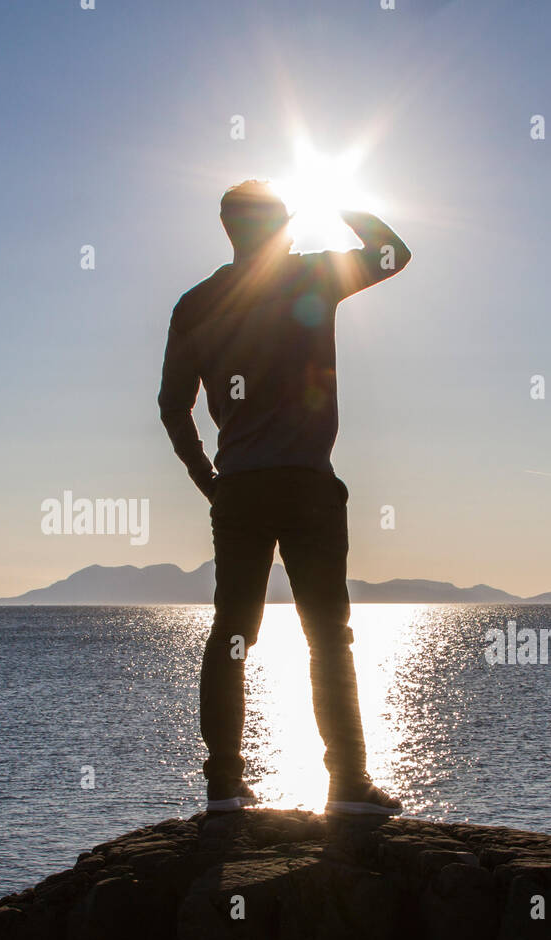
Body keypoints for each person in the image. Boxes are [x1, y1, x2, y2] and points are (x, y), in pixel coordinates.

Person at [159, 180, 410, 815]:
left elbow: (172, 407)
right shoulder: (310, 278)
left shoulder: (195, 304)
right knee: (328, 636)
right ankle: (347, 787)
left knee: (231, 636)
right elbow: (392, 253)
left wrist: (205, 478)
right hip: (305, 482)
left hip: (238, 488)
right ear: (276, 227)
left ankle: (223, 785)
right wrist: (343, 200)